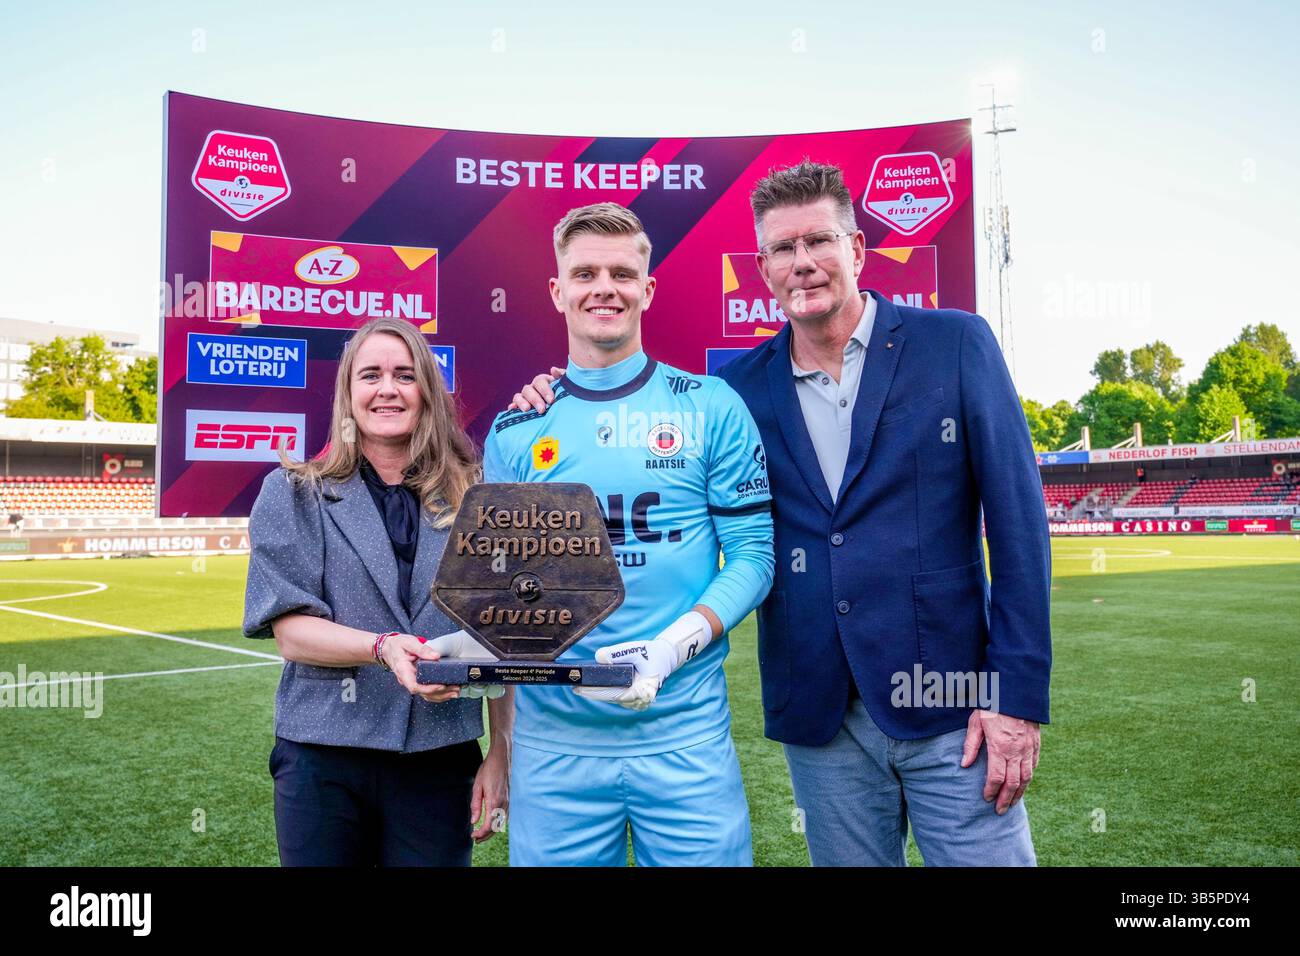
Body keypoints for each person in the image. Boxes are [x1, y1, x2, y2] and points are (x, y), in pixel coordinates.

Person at [512, 162, 1051, 867]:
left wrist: (1014, 696)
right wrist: (556, 393)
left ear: (856, 249)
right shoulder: (736, 390)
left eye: (819, 241)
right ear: (763, 268)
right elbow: (626, 404)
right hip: (821, 713)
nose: (803, 263)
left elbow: (1019, 528)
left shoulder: (955, 343)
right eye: (782, 249)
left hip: (954, 703)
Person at [483, 202, 774, 866]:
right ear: (558, 291)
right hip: (554, 753)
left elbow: (755, 556)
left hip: (685, 740)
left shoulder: (710, 406)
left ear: (648, 288)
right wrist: (475, 661)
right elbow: (503, 593)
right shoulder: (517, 429)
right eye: (585, 273)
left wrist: (670, 648)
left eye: (621, 273)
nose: (604, 288)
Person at [243, 316, 512, 866]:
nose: (387, 389)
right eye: (370, 375)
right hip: (323, 758)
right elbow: (291, 633)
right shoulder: (294, 491)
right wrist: (383, 646)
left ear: (427, 392)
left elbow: (500, 635)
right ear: (348, 393)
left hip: (441, 757)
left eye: (405, 375)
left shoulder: (478, 496)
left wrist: (501, 749)